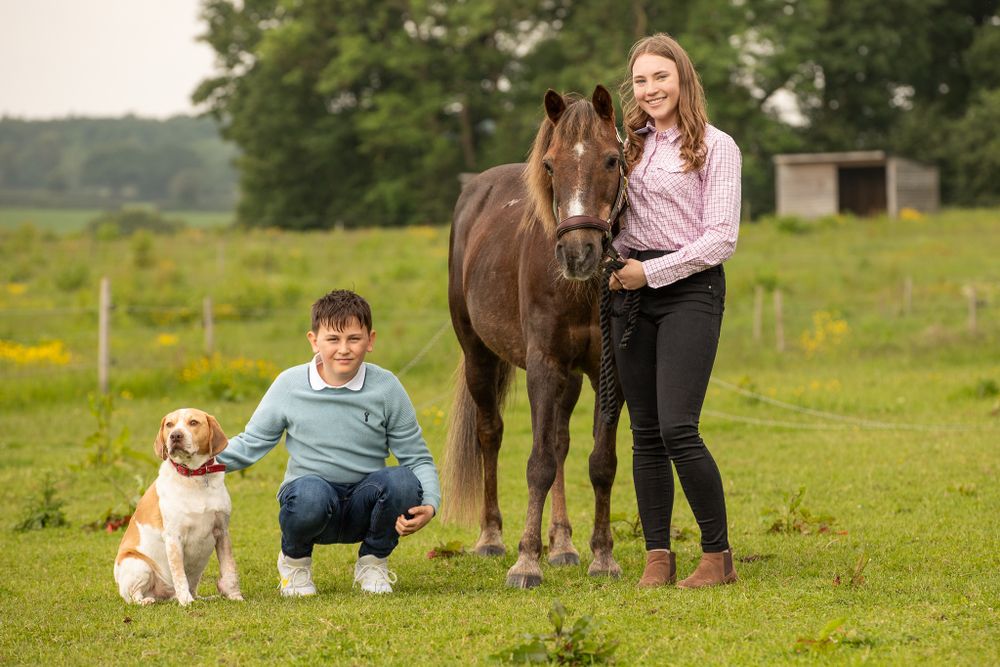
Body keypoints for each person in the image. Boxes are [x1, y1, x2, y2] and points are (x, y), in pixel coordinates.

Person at [609, 33, 741, 589]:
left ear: (683, 78)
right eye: (640, 80)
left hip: (691, 289)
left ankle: (717, 556)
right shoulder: (626, 148)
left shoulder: (716, 145)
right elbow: (613, 218)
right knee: (644, 432)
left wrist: (652, 273)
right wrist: (615, 262)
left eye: (660, 76)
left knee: (678, 427)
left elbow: (721, 237)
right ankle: (657, 557)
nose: (650, 88)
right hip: (628, 292)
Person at [216, 289, 440, 596]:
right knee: (310, 493)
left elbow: (417, 458)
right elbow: (251, 442)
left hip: (366, 504)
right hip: (311, 502)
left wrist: (430, 504)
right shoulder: (289, 385)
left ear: (370, 340)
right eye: (333, 339)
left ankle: (373, 562)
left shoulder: (387, 387)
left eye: (354, 338)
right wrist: (194, 462)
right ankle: (295, 564)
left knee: (403, 481)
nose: (343, 349)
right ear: (314, 341)